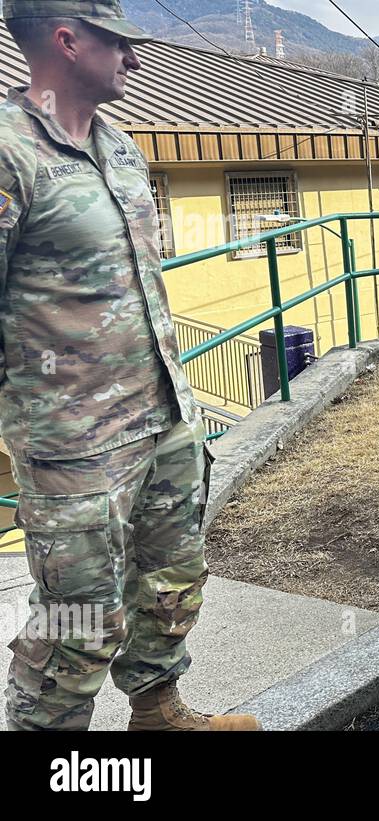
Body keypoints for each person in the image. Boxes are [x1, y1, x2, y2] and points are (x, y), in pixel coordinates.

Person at [0, 1, 260, 730]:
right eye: (120, 44)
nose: (135, 60)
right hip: (74, 448)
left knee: (172, 583)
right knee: (75, 625)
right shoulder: (8, 152)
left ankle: (158, 711)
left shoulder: (119, 147)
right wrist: (32, 418)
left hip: (162, 419)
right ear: (66, 40)